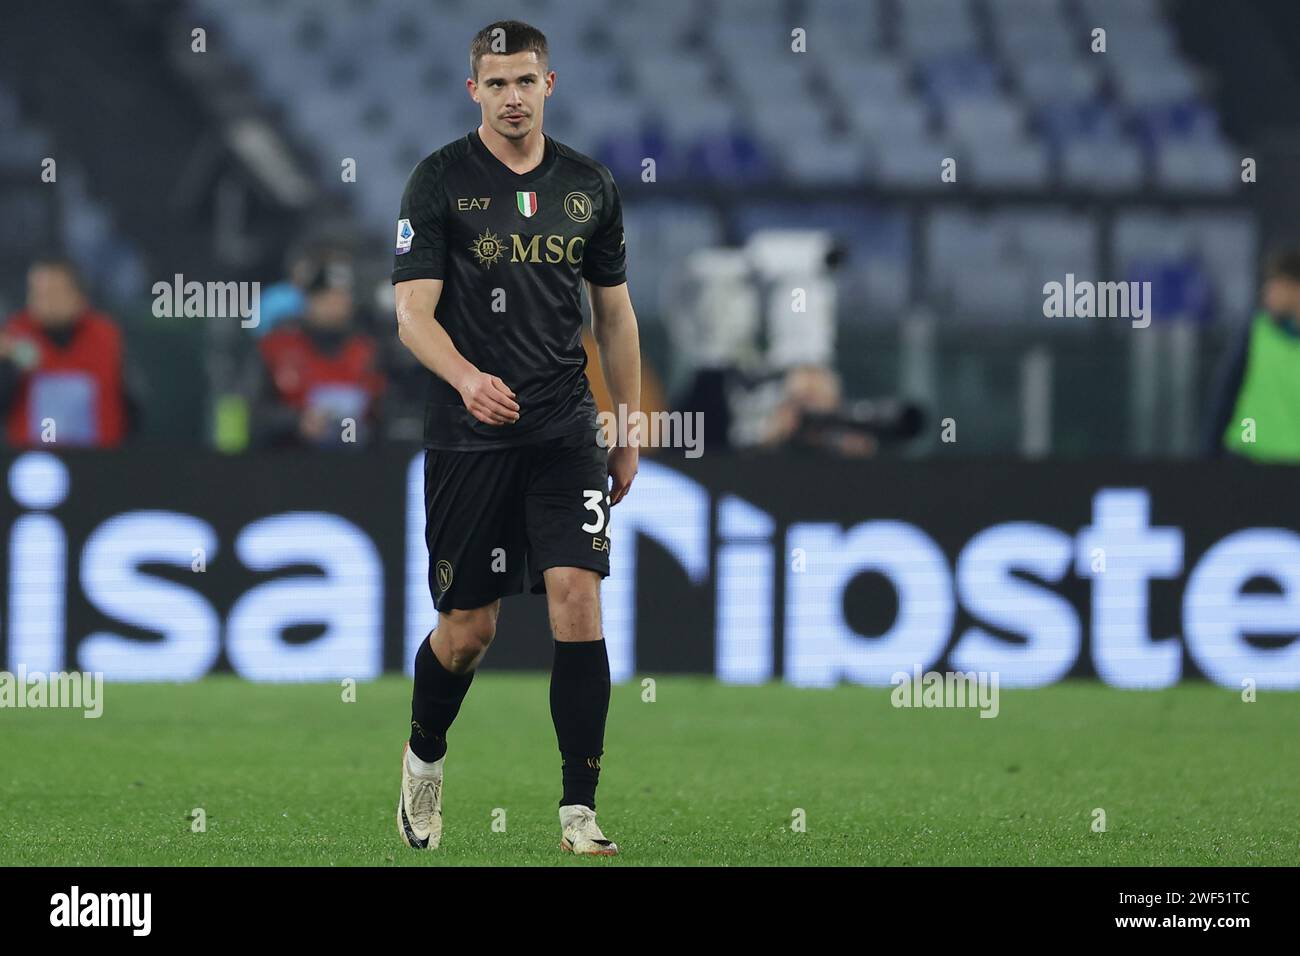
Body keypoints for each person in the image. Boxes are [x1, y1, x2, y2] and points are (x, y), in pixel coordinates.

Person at [391, 20, 641, 855]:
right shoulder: (438, 182)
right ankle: (425, 753)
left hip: (563, 428)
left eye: (524, 81)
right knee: (469, 632)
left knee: (579, 597)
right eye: (495, 83)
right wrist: (466, 378)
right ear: (474, 92)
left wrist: (627, 423)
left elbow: (612, 313)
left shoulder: (589, 185)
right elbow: (411, 315)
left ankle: (579, 809)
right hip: (468, 436)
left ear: (549, 84)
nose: (511, 97)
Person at [0, 257, 136, 447]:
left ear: (79, 298)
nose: (44, 302)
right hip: (32, 462)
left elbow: (132, 407)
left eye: (53, 293)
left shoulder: (107, 336)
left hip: (102, 461)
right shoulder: (14, 335)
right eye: (37, 293)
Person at [251, 259, 385, 449]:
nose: (335, 305)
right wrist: (297, 421)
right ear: (308, 300)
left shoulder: (368, 351)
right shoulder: (277, 347)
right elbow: (255, 415)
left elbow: (383, 413)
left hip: (358, 464)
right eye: (326, 297)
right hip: (290, 461)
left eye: (342, 297)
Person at [1204, 247, 1300, 462]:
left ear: (1295, 288)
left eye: (1275, 285)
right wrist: (1209, 456)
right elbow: (1225, 395)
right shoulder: (1256, 333)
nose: (1267, 293)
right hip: (1248, 457)